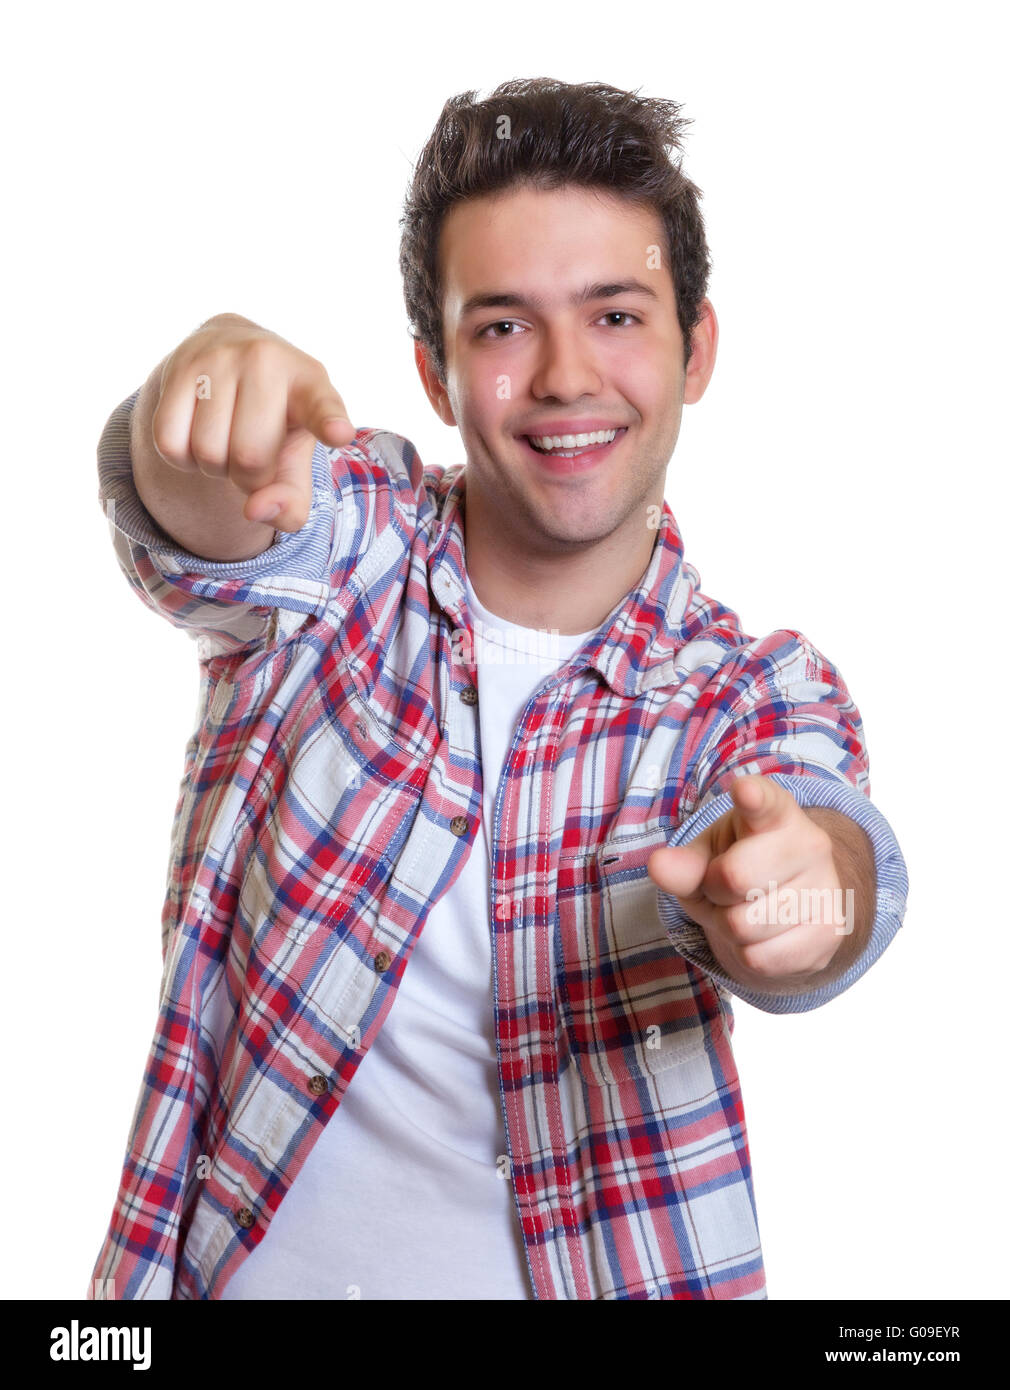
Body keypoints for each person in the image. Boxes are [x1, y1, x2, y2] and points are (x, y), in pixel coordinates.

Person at [87, 77, 908, 1302]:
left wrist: (806, 900)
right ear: (435, 372)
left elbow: (822, 841)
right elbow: (208, 522)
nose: (568, 375)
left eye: (618, 314)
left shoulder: (744, 685)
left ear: (698, 350)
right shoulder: (357, 548)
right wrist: (187, 414)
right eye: (503, 326)